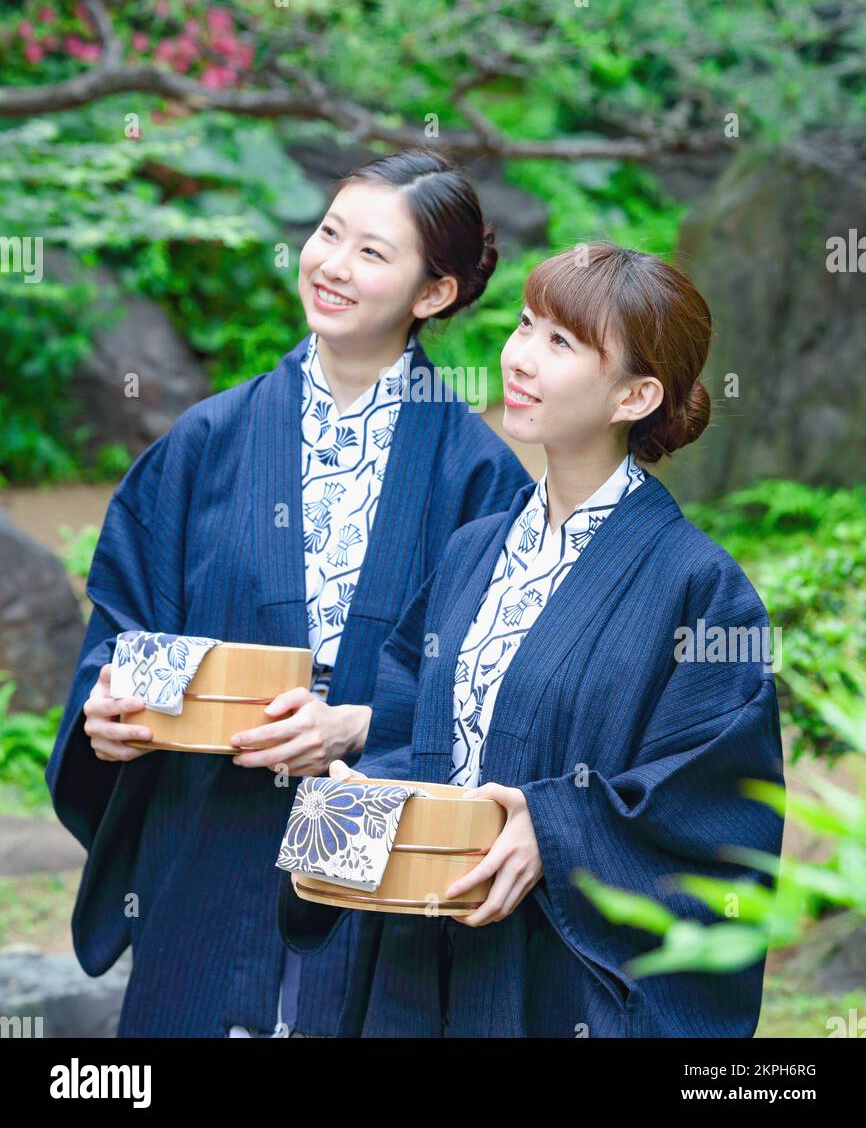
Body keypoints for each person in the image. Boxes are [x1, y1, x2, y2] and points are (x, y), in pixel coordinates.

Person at [46, 148, 532, 1038]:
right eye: (328, 233)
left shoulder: (480, 478)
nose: (333, 265)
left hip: (372, 840)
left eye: (373, 253)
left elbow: (508, 691)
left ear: (433, 294)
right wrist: (106, 713)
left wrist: (360, 723)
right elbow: (121, 628)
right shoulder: (205, 443)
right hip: (209, 836)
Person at [280, 241, 786, 1037]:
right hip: (421, 958)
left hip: (557, 987)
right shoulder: (473, 550)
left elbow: (717, 813)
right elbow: (408, 718)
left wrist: (558, 830)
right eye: (524, 325)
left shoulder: (700, 589)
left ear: (636, 395)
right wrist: (356, 798)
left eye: (562, 343)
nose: (521, 357)